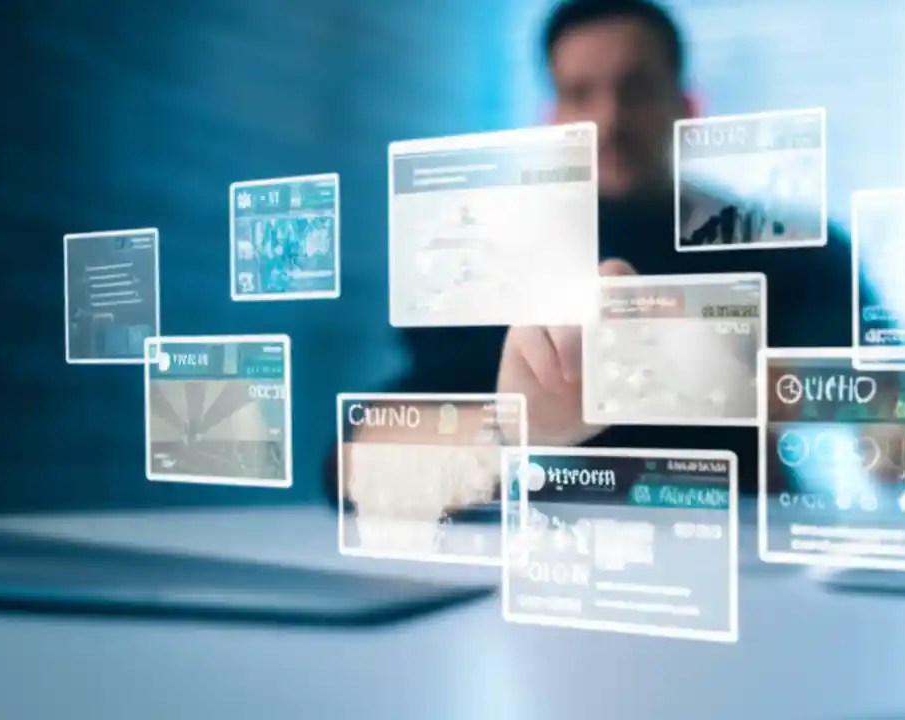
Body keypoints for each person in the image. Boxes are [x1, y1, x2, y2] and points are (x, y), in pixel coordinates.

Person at [330, 0, 860, 508]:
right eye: (581, 94)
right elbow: (352, 463)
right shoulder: (478, 257)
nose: (609, 119)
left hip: (742, 574)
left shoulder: (791, 247)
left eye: (637, 89)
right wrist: (514, 431)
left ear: (688, 108)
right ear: (551, 120)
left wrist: (749, 376)